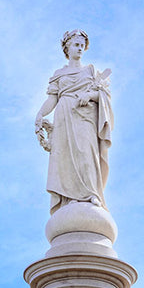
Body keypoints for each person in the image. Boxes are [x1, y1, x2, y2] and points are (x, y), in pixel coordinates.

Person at [35, 29, 113, 213]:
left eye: (82, 46)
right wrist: (40, 114)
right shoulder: (59, 74)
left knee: (87, 152)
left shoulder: (91, 71)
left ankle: (91, 193)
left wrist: (89, 95)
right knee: (66, 157)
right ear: (67, 48)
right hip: (63, 116)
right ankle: (69, 197)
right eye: (76, 45)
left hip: (85, 116)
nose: (80, 49)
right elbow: (52, 99)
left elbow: (103, 94)